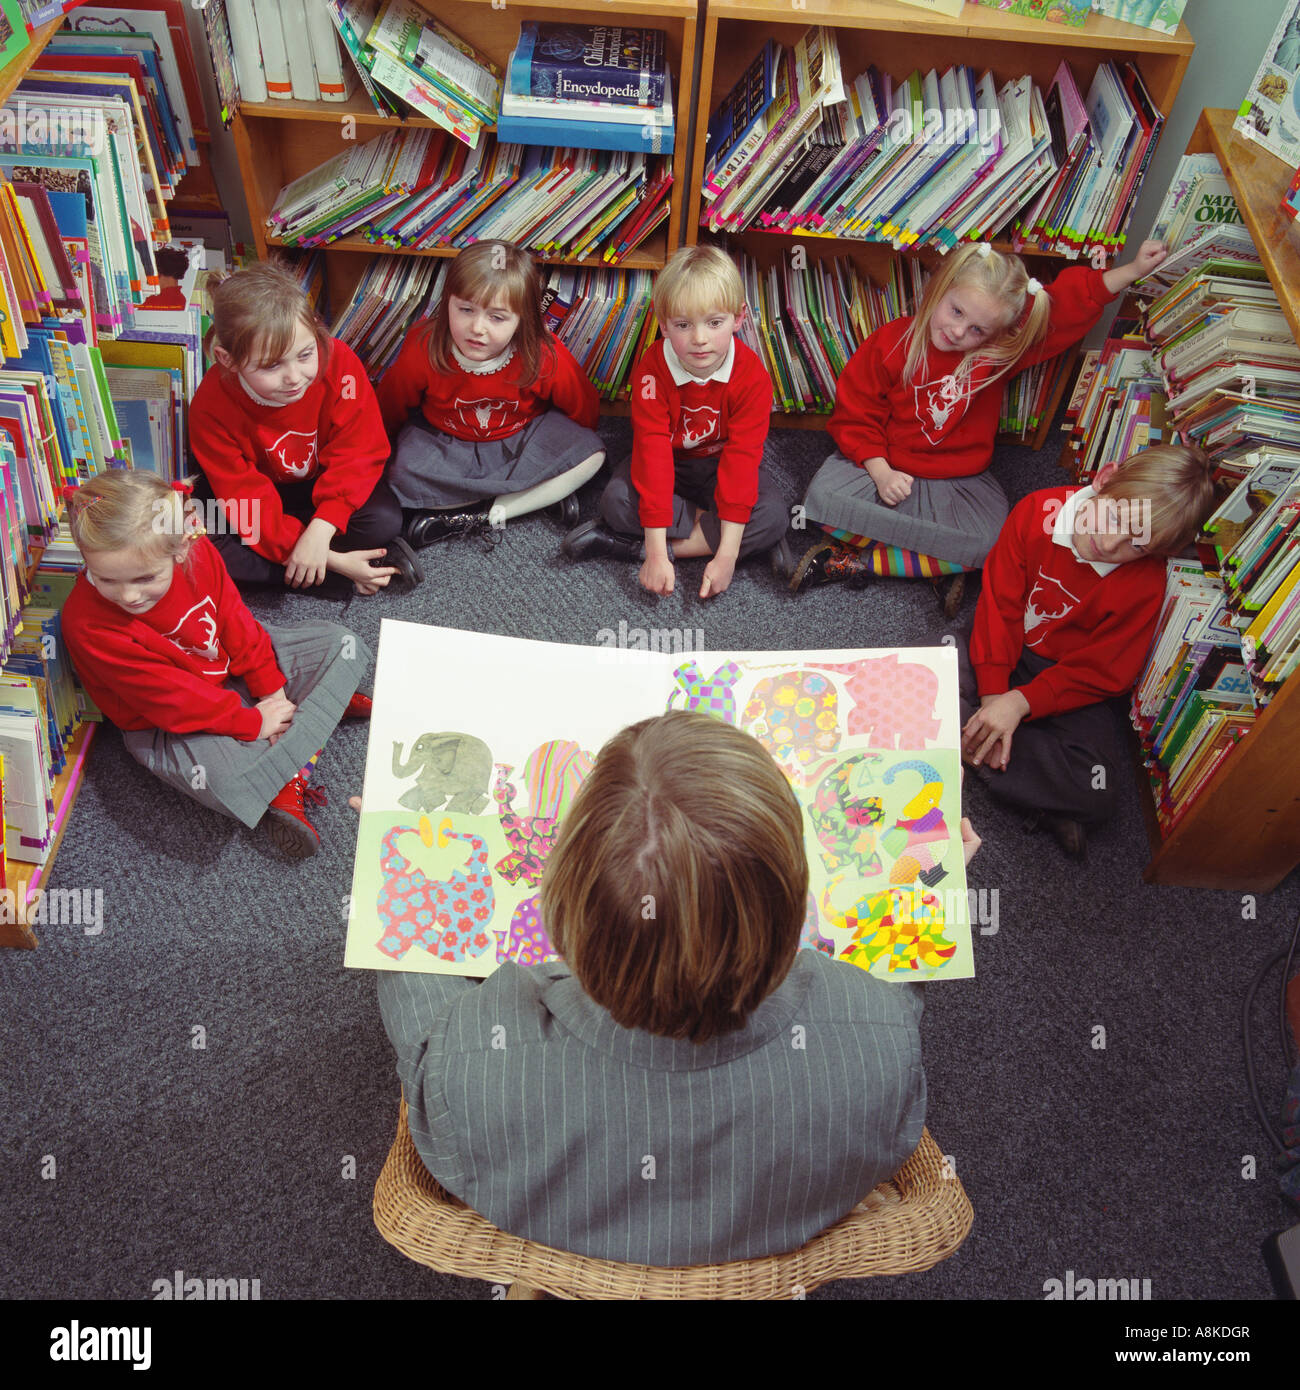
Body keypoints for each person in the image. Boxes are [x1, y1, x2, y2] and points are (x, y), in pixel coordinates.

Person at [378, 710, 979, 1266]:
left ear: (559, 911)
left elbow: (415, 991)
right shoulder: (879, 1041)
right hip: (775, 1227)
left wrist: (399, 864)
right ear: (797, 910)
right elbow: (897, 984)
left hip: (552, 1224)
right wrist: (933, 878)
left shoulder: (471, 1068)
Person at [785, 240, 1169, 615]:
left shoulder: (997, 355)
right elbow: (856, 413)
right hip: (885, 469)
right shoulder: (891, 342)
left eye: (977, 330)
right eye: (956, 312)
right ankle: (934, 561)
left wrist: (1132, 271)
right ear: (942, 287)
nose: (958, 332)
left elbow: (1060, 311)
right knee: (821, 501)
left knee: (993, 545)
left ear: (995, 334)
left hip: (958, 483)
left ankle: (861, 562)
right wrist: (880, 470)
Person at [60, 469, 374, 858]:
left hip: (225, 666)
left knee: (342, 643)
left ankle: (290, 750)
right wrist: (253, 722)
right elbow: (171, 700)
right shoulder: (87, 622)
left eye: (146, 578)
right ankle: (302, 749)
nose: (129, 596)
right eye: (106, 580)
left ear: (179, 550)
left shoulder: (200, 552)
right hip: (168, 721)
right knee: (223, 778)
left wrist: (270, 689)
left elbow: (235, 620)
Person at [958, 442, 1216, 858]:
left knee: (1099, 789)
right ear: (1105, 478)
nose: (1110, 544)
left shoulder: (1145, 583)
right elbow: (999, 608)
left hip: (1066, 680)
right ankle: (1013, 770)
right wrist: (994, 699)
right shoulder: (1035, 512)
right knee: (928, 677)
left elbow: (1101, 672)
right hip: (1003, 644)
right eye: (1114, 516)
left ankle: (974, 744)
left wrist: (1021, 703)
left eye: (1136, 544)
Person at [562, 244, 790, 599]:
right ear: (663, 323)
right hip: (669, 464)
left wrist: (726, 556)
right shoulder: (652, 371)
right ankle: (737, 538)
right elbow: (653, 456)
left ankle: (624, 547)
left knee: (774, 514)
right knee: (617, 501)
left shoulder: (753, 378)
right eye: (683, 325)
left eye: (714, 323)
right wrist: (657, 550)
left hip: (721, 465)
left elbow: (742, 461)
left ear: (739, 317)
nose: (699, 339)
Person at [188, 261, 421, 596]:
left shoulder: (338, 360)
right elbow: (244, 498)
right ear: (228, 360)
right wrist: (326, 556)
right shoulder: (210, 406)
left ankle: (310, 563)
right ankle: (340, 572)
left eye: (305, 354)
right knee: (199, 540)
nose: (295, 377)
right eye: (271, 365)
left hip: (321, 482)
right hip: (258, 496)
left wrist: (323, 525)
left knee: (383, 519)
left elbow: (359, 450)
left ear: (316, 330)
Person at [375, 240, 605, 548]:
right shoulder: (425, 343)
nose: (477, 328)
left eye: (497, 317)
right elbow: (391, 403)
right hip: (446, 442)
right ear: (447, 303)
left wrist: (564, 449)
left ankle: (489, 512)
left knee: (593, 452)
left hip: (519, 438)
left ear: (522, 319)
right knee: (398, 472)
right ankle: (528, 499)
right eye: (466, 310)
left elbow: (582, 404)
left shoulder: (540, 351)